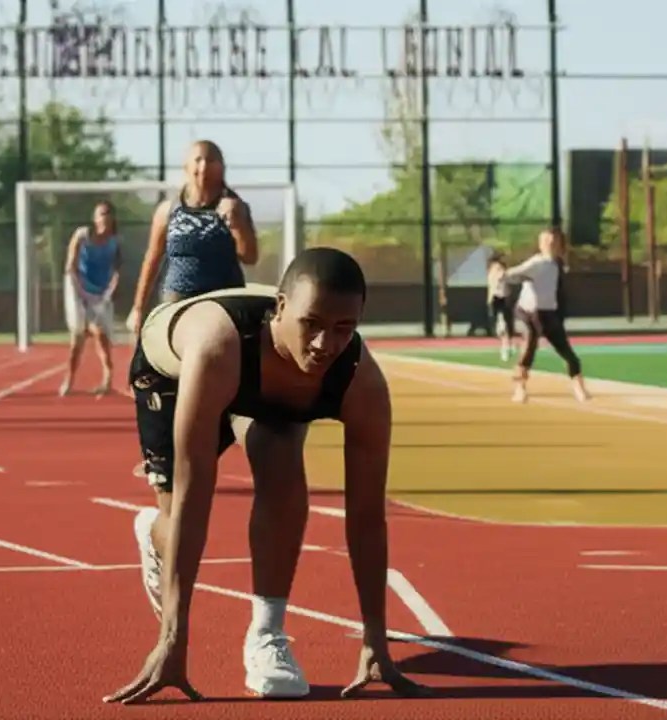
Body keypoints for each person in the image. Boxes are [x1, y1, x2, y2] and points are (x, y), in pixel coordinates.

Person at [107, 248, 428, 705]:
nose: (324, 344)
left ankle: (267, 634)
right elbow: (196, 496)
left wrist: (375, 638)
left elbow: (366, 517)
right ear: (281, 309)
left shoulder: (361, 382)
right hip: (178, 372)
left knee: (283, 473)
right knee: (174, 515)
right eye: (311, 323)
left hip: (273, 377)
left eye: (343, 328)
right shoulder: (217, 348)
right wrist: (172, 638)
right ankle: (151, 536)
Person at [125, 140, 258, 333]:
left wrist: (238, 225)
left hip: (224, 304)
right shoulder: (168, 210)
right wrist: (137, 309)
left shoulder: (236, 207)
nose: (203, 167)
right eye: (198, 160)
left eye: (211, 160)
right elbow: (152, 260)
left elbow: (250, 257)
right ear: (186, 167)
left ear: (221, 168)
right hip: (178, 302)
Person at [500, 229, 591, 404]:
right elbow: (513, 273)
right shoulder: (536, 263)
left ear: (559, 244)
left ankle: (579, 388)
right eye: (545, 241)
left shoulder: (558, 264)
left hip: (549, 314)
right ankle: (520, 389)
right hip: (528, 313)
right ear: (540, 244)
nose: (549, 244)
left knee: (569, 354)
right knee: (529, 348)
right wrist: (503, 274)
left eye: (553, 241)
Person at [60, 200, 123, 397]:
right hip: (78, 289)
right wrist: (82, 292)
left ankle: (107, 380)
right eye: (100, 214)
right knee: (77, 339)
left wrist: (109, 291)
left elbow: (117, 271)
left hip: (100, 294)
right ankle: (69, 380)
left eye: (107, 214)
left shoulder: (115, 242)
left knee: (101, 335)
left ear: (113, 218)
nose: (104, 217)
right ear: (94, 219)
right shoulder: (82, 236)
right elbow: (70, 266)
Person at [485, 252, 519, 361]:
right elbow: (496, 280)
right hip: (496, 299)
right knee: (499, 326)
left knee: (506, 325)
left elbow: (507, 279)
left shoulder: (504, 269)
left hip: (505, 298)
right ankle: (506, 345)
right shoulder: (495, 268)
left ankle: (506, 346)